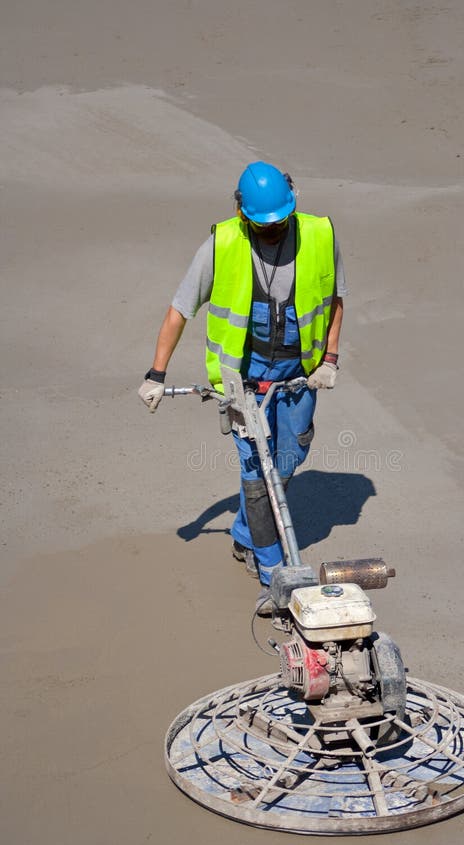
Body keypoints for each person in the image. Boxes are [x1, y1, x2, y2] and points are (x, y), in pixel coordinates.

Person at [138, 161, 346, 612]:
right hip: (242, 382)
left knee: (289, 459)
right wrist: (156, 374)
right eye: (262, 226)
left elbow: (335, 301)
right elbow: (179, 310)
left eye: (279, 225)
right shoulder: (221, 245)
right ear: (242, 214)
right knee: (257, 474)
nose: (272, 233)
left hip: (299, 374)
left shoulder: (320, 236)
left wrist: (329, 358)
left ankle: (243, 533)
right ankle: (273, 569)